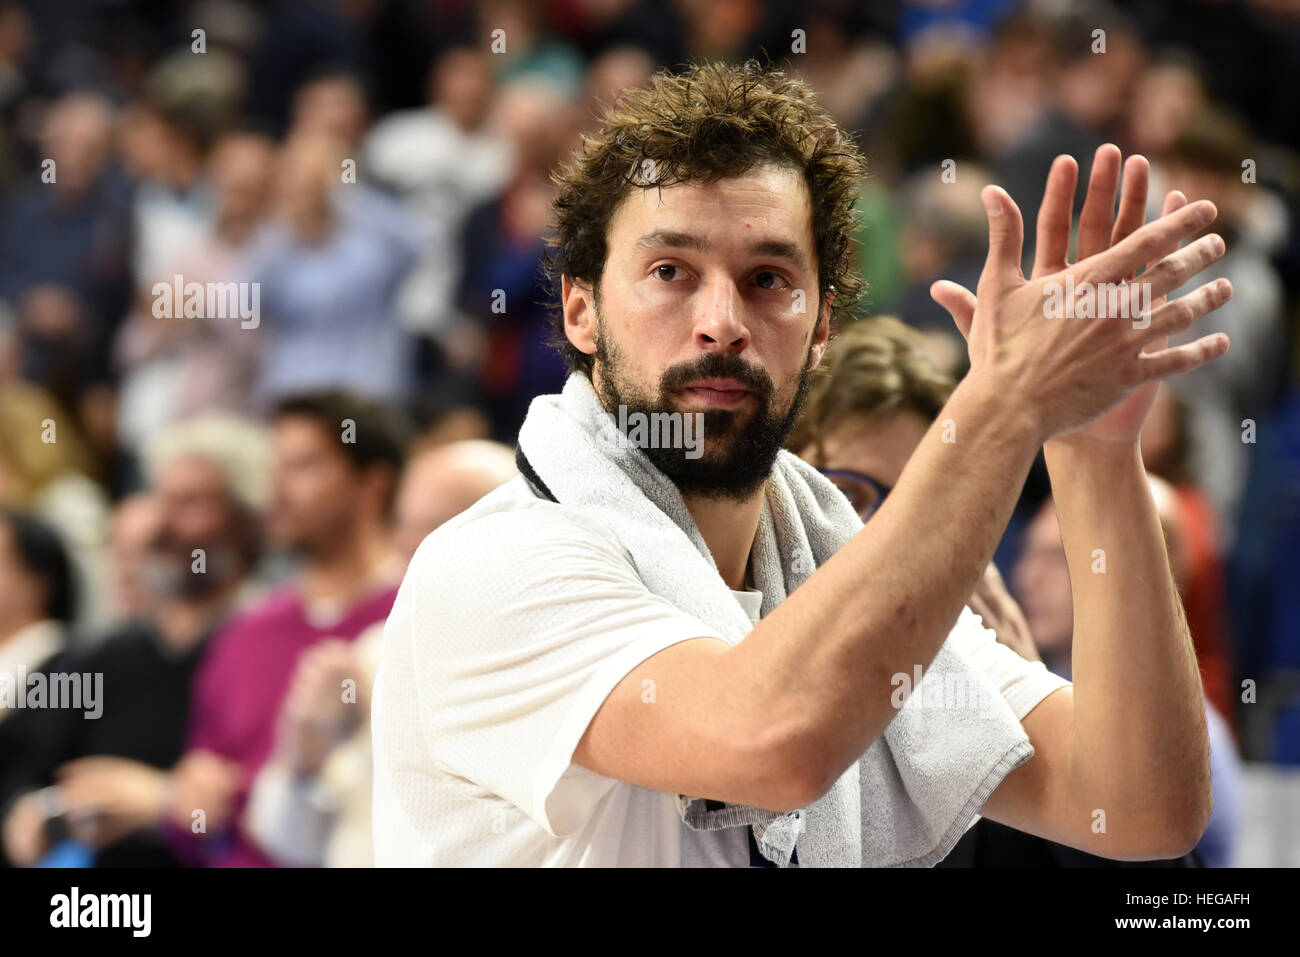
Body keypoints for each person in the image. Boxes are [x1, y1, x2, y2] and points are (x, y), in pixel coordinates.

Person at [373, 61, 1231, 867]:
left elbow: (1134, 804)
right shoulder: (494, 564)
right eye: (671, 271)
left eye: (768, 278)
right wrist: (1005, 402)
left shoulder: (830, 557)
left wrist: (1091, 444)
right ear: (582, 311)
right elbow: (771, 737)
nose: (721, 322)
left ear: (822, 328)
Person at [0, 416, 268, 867]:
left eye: (190, 503)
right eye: (159, 498)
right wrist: (24, 810)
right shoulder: (105, 656)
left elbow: (274, 801)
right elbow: (20, 760)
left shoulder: (263, 649)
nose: (162, 524)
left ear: (246, 523)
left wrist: (162, 801)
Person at [244, 439, 517, 866]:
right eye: (402, 527)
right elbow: (289, 844)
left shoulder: (539, 661)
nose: (406, 551)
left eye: (432, 529)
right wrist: (304, 761)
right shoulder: (375, 651)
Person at [170, 391, 408, 867]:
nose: (275, 491)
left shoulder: (412, 618)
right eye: (273, 469)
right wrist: (187, 797)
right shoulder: (244, 633)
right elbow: (192, 811)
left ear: (372, 484)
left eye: (302, 467)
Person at [1011, 480, 1243, 867]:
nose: (1027, 578)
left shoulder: (1182, 729)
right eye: (1028, 553)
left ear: (1144, 574)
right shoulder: (1051, 677)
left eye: (1057, 557)